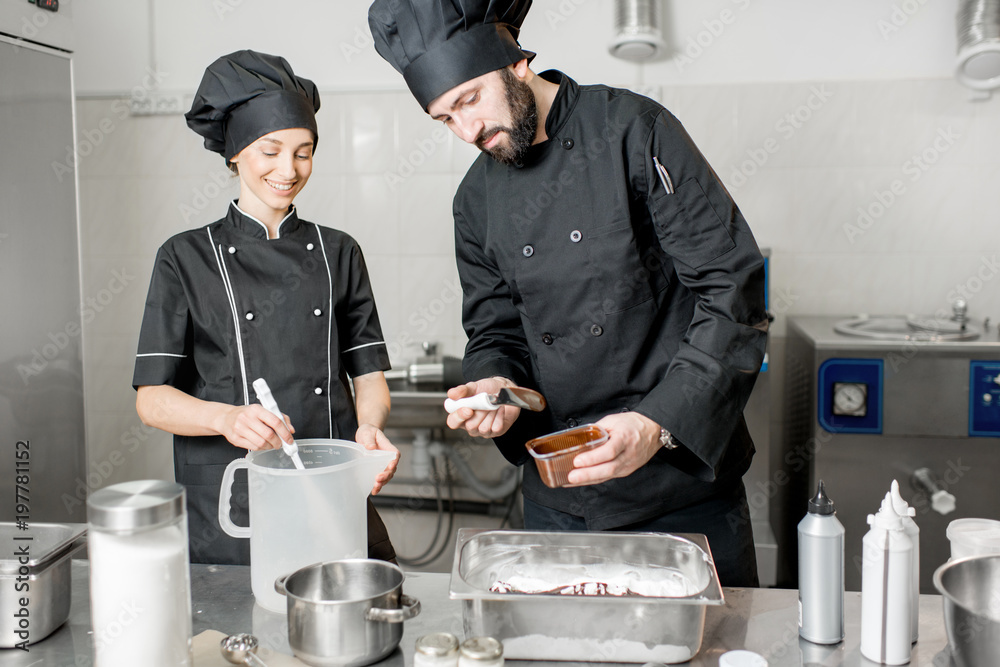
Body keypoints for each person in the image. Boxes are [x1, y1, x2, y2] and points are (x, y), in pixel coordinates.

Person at [368, 1, 768, 586]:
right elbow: (495, 330)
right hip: (559, 501)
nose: (468, 131)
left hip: (682, 494)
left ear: (517, 63)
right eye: (445, 119)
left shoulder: (634, 130)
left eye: (470, 100)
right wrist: (495, 385)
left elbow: (734, 290)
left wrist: (655, 424)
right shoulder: (475, 200)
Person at [133, 50, 399, 565]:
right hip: (232, 506)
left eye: (303, 152)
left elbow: (368, 376)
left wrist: (369, 427)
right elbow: (152, 399)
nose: (288, 169)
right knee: (235, 635)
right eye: (270, 151)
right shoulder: (185, 257)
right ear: (235, 155)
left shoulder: (337, 251)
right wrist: (227, 419)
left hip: (333, 489)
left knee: (358, 620)